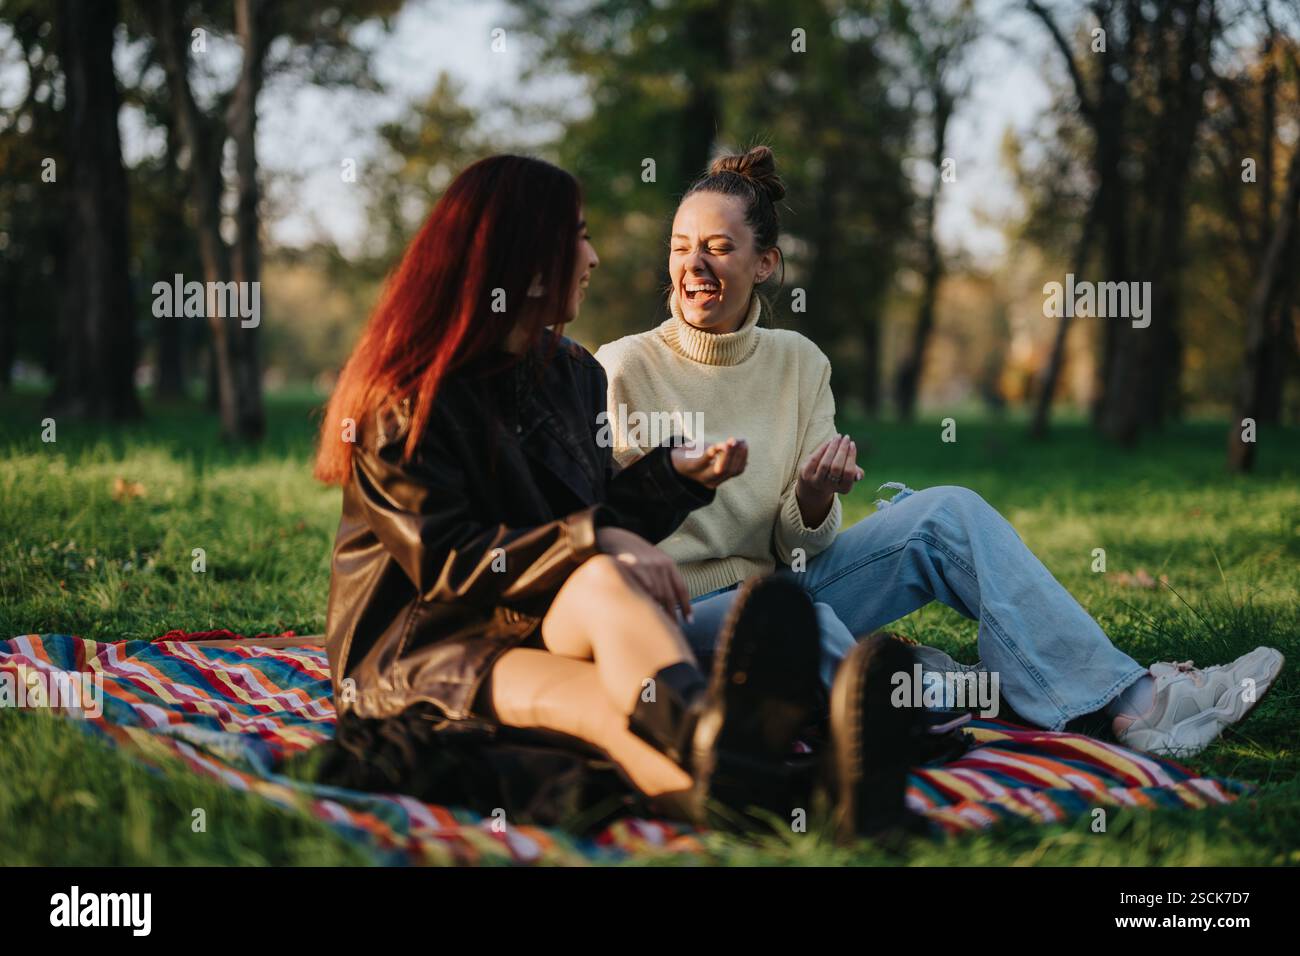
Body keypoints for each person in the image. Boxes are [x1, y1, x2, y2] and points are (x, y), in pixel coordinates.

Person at [595, 145, 1285, 757]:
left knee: (948, 512)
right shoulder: (622, 367)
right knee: (863, 655)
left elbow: (797, 546)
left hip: (785, 583)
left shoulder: (799, 363)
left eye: (718, 247)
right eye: (681, 246)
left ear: (765, 264)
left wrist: (811, 498)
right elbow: (596, 528)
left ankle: (1139, 704)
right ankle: (944, 697)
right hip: (684, 615)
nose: (693, 264)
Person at [312, 153, 843, 829]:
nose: (592, 257)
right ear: (526, 258)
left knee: (604, 602)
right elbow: (447, 559)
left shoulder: (573, 375)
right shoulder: (405, 400)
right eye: (579, 236)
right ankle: (770, 786)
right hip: (424, 651)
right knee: (606, 701)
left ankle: (763, 780)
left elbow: (588, 517)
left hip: (527, 624)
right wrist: (597, 537)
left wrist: (671, 481)